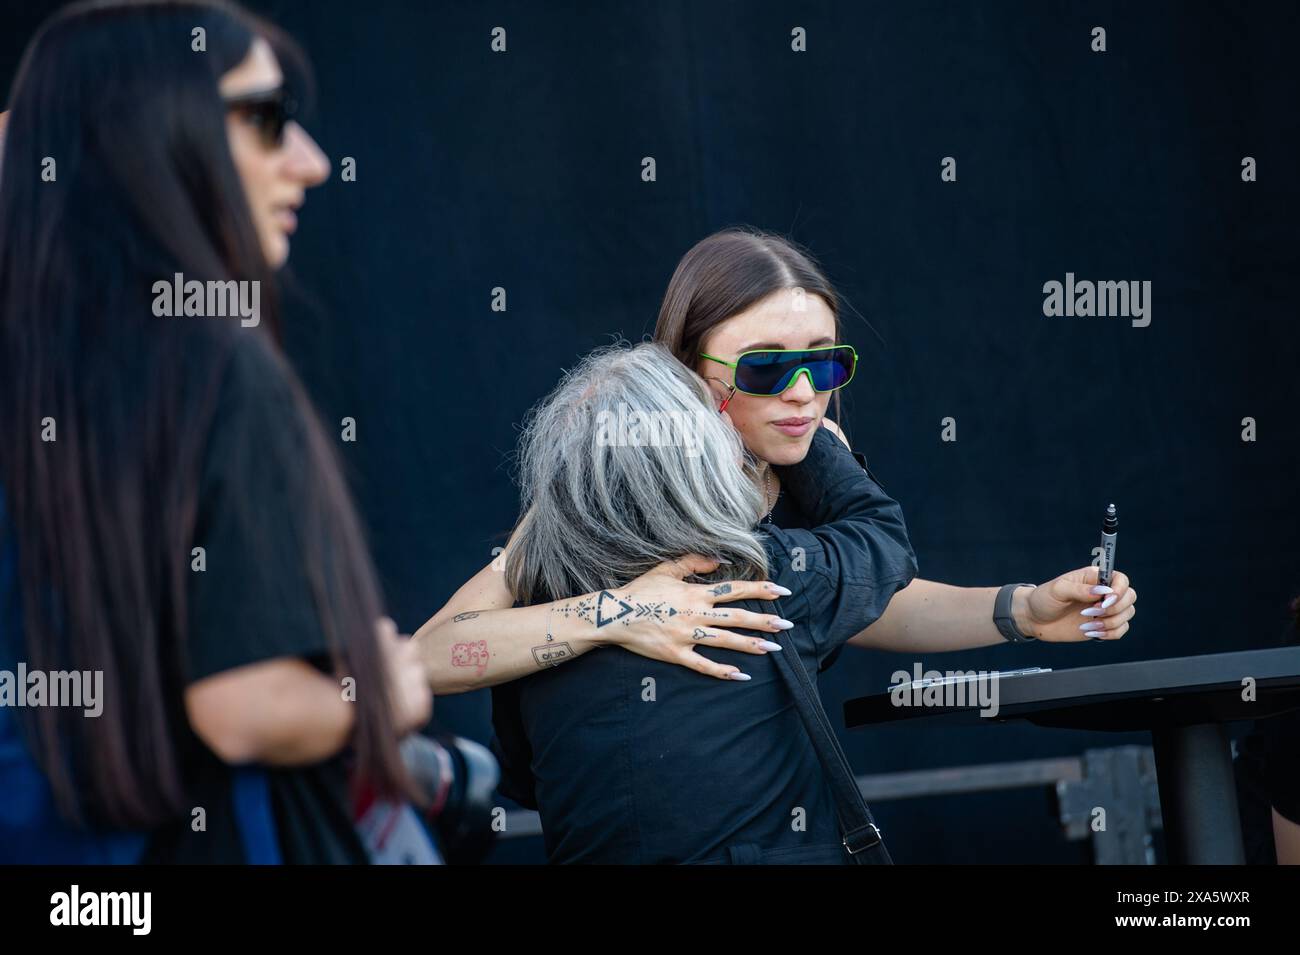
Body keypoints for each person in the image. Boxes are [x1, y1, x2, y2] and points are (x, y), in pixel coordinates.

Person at [0, 0, 430, 863]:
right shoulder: (214, 366)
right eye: (265, 120)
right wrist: (386, 691)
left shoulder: (43, 364)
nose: (308, 163)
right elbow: (247, 707)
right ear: (148, 135)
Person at [420, 342, 918, 862]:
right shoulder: (763, 576)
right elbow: (884, 541)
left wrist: (587, 570)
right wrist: (815, 441)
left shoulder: (533, 614)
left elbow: (436, 667)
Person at [652, 227, 1138, 659]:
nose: (803, 393)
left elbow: (861, 600)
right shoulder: (629, 472)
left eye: (823, 363)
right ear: (687, 368)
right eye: (764, 366)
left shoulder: (810, 465)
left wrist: (1025, 610)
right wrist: (607, 617)